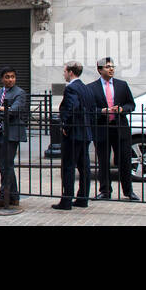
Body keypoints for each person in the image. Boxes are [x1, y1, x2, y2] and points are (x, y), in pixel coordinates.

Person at [87, 57, 139, 200]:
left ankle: (128, 191)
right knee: (103, 162)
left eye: (113, 67)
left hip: (120, 128)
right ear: (99, 70)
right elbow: (89, 109)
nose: (111, 69)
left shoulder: (122, 85)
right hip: (102, 128)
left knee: (124, 160)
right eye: (107, 67)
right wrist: (101, 111)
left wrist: (122, 109)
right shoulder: (91, 88)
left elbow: (131, 105)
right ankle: (105, 191)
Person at [0, 67, 29, 207]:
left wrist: (2, 110)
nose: (10, 79)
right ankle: (13, 196)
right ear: (2, 78)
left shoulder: (19, 93)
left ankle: (4, 196)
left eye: (13, 77)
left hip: (11, 134)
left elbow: (14, 111)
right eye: (7, 77)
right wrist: (0, 109)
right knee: (3, 165)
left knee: (6, 165)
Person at [54, 61, 94, 210]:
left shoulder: (71, 88)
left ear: (70, 72)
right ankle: (83, 198)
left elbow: (71, 108)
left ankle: (66, 200)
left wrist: (66, 125)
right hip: (86, 132)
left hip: (73, 133)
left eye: (64, 71)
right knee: (84, 167)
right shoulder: (86, 88)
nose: (64, 74)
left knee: (68, 167)